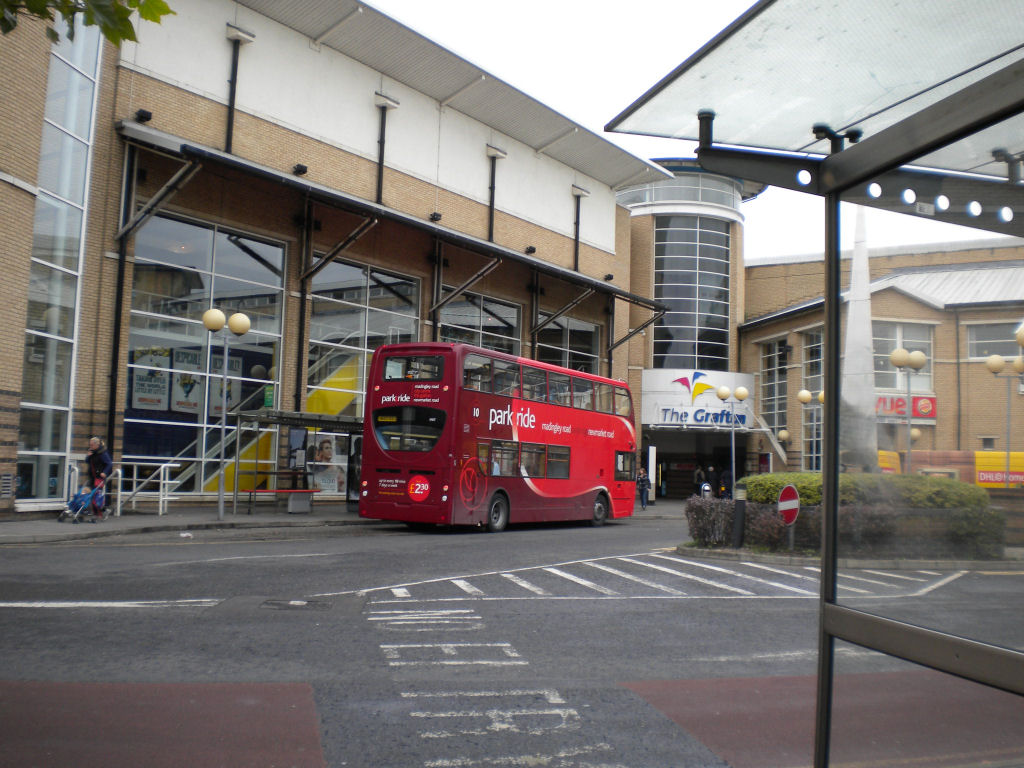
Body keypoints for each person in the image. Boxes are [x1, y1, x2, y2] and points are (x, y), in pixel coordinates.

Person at [86, 436, 113, 515]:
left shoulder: (102, 453)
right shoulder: (92, 452)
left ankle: (100, 511)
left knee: (96, 494)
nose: (90, 447)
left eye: (91, 445)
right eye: (90, 445)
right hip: (92, 476)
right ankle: (94, 510)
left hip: (99, 477)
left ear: (97, 445)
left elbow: (109, 463)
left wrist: (105, 472)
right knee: (88, 493)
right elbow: (87, 461)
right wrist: (88, 456)